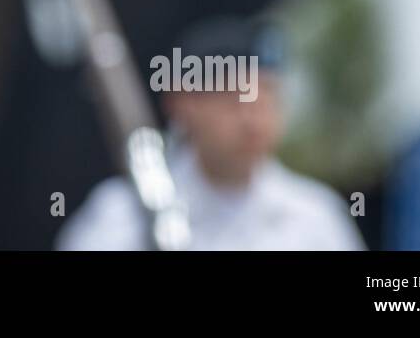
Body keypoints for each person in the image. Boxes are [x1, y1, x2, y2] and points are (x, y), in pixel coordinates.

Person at [57, 18, 363, 250]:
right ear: (182, 105)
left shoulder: (316, 218)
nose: (252, 120)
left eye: (266, 98)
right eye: (232, 99)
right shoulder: (120, 217)